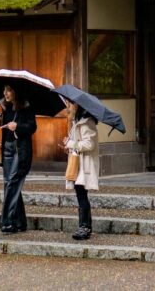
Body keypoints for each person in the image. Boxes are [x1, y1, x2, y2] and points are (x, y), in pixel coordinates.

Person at [0, 83, 36, 233]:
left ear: (16, 91)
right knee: (8, 183)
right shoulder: (5, 107)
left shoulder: (26, 107)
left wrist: (18, 127)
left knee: (12, 182)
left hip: (20, 149)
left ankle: (7, 221)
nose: (5, 93)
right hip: (7, 147)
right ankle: (20, 222)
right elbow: (5, 126)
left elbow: (32, 127)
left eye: (9, 90)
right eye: (4, 90)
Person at [63, 101, 99, 241]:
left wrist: (71, 143)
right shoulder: (77, 122)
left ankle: (84, 226)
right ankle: (85, 226)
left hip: (85, 165)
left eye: (70, 105)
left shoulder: (86, 123)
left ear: (77, 106)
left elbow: (89, 144)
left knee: (82, 194)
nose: (68, 108)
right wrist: (69, 145)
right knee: (80, 194)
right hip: (79, 163)